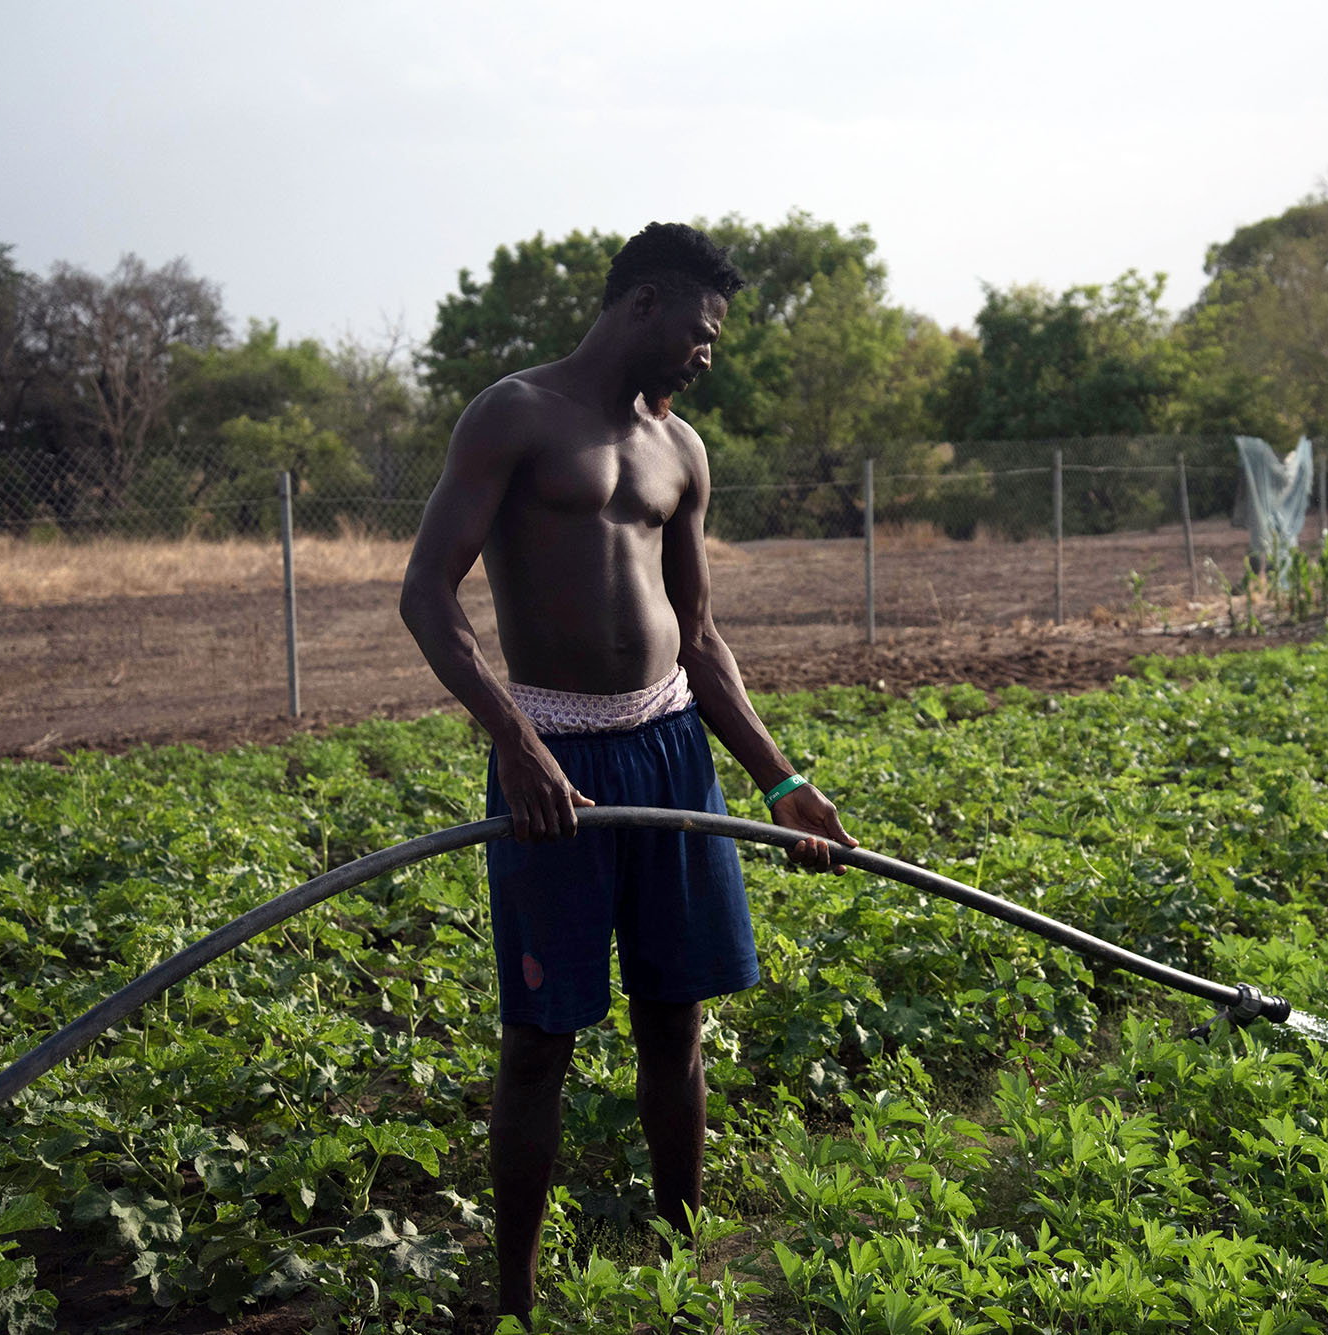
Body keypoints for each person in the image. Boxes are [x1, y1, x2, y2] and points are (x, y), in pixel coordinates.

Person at [399, 221, 856, 1321]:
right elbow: (427, 595)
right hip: (553, 755)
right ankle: (512, 1298)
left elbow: (699, 637)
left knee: (675, 1019)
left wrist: (780, 783)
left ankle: (680, 1258)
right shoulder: (514, 416)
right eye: (700, 333)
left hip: (669, 754)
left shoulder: (681, 450)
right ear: (642, 306)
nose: (708, 354)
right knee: (537, 1044)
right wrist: (519, 746)